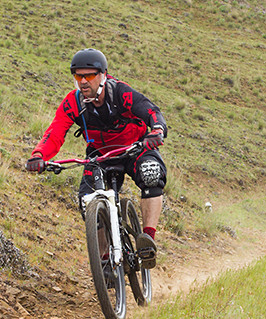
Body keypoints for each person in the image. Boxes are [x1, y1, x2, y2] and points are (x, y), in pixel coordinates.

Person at [25, 48, 167, 269]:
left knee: (151, 173)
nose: (83, 81)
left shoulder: (121, 93)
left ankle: (147, 241)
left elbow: (151, 111)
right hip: (100, 155)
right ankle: (104, 261)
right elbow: (55, 132)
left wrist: (156, 130)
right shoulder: (73, 103)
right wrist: (39, 155)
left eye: (89, 75)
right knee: (88, 202)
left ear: (103, 74)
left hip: (135, 148)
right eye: (78, 76)